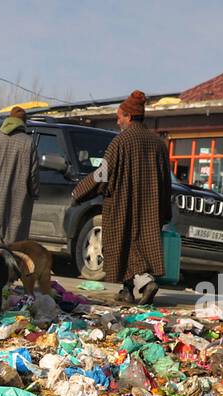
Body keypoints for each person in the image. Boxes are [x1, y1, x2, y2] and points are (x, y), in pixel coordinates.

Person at [72, 90, 172, 305]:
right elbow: (166, 181)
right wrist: (165, 209)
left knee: (125, 244)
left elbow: (102, 173)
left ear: (129, 116)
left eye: (119, 116)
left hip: (123, 204)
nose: (117, 121)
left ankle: (145, 283)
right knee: (140, 245)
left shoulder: (121, 142)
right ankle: (127, 290)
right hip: (151, 206)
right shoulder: (158, 144)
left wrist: (79, 191)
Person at [0, 106, 40, 243]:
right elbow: (33, 174)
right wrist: (34, 193)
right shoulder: (28, 142)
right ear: (23, 123)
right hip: (18, 198)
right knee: (14, 240)